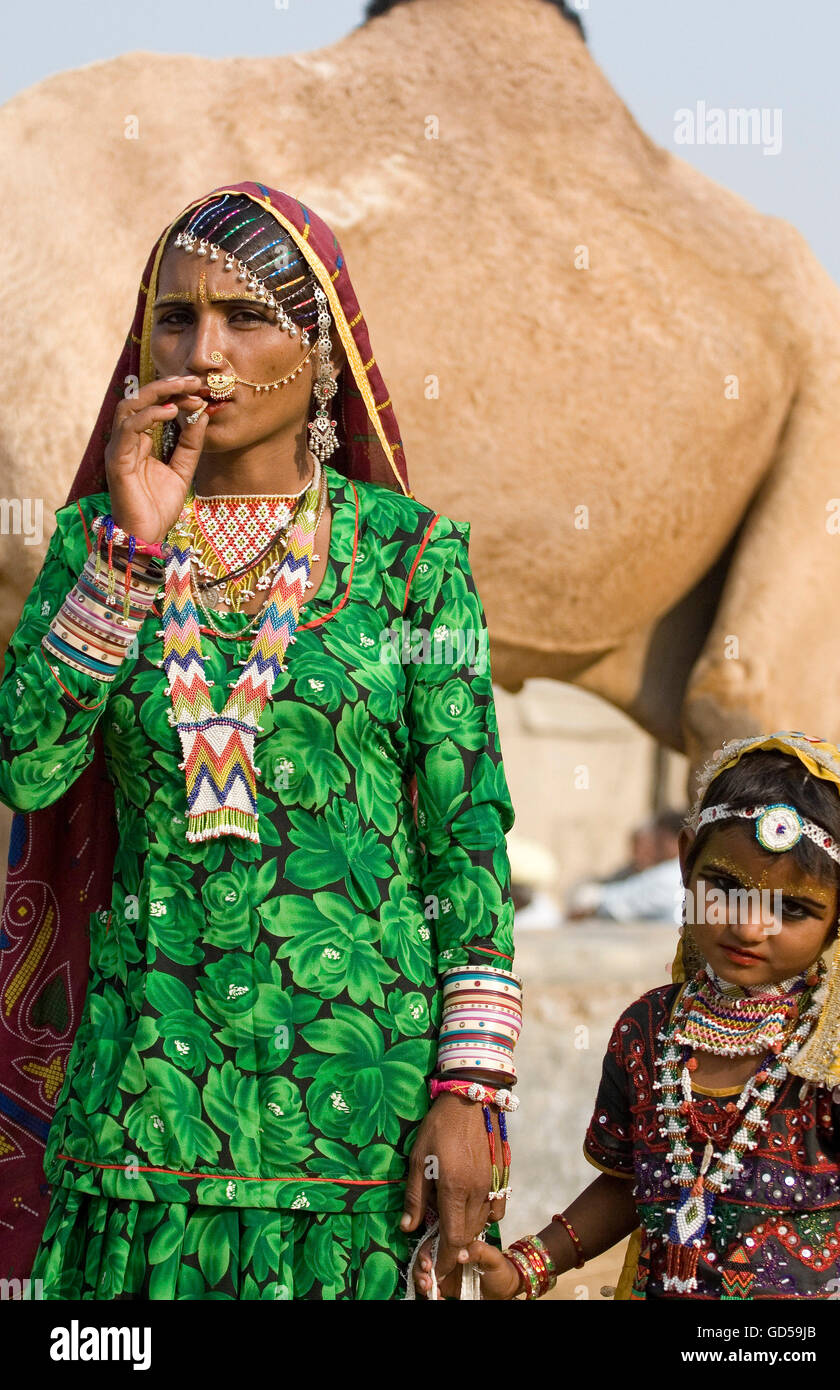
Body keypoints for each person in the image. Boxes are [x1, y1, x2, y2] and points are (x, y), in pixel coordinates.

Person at [0, 182, 520, 1300]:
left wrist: (469, 1087)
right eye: (176, 320)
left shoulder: (408, 558)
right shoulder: (97, 541)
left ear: (320, 355)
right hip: (140, 1124)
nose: (206, 351)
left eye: (247, 317)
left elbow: (465, 838)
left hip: (355, 1135)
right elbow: (31, 765)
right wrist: (131, 555)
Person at [413, 731, 840, 1299]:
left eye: (794, 908)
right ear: (684, 861)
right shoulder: (649, 1030)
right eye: (725, 887)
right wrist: (530, 1267)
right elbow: (633, 1184)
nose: (750, 927)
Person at [566, 809, 686, 924]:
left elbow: (616, 902)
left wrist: (589, 900)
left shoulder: (669, 876)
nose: (654, 847)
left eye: (659, 840)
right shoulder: (635, 872)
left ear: (675, 840)